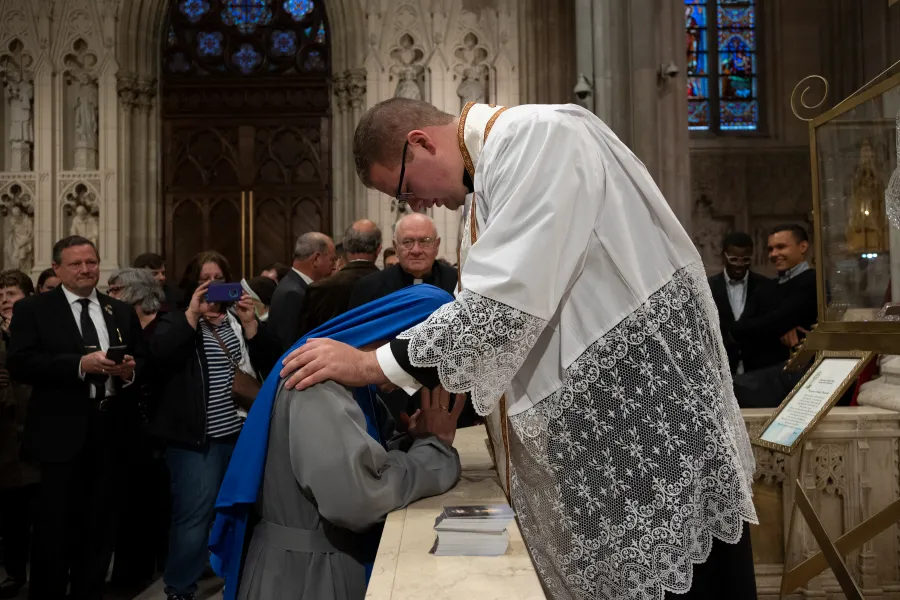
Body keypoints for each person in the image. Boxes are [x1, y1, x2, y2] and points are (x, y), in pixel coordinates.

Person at [279, 99, 758, 599]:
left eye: (404, 190)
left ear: (419, 143)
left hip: (652, 421)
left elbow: (500, 306)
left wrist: (367, 363)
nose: (416, 205)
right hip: (609, 426)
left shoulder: (536, 137)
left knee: (689, 577)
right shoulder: (486, 185)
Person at [209, 285, 463, 600]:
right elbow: (356, 500)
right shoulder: (318, 384)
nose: (411, 383)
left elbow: (366, 456)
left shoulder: (354, 383)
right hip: (306, 575)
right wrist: (434, 448)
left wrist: (412, 440)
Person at [7, 236, 145, 600]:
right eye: (76, 264)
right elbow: (20, 362)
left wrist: (129, 372)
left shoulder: (120, 311)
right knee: (54, 535)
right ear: (57, 269)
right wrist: (78, 365)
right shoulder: (36, 310)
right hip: (59, 435)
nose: (86, 270)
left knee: (99, 533)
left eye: (92, 262)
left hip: (110, 434)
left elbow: (143, 362)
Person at [151, 251, 282, 600]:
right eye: (202, 279)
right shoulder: (177, 322)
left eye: (217, 279)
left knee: (239, 511)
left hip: (239, 434)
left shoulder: (238, 322)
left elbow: (273, 362)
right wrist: (192, 315)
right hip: (197, 440)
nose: (210, 286)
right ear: (192, 286)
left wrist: (253, 324)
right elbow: (160, 358)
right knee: (193, 518)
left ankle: (235, 578)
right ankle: (180, 587)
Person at [105, 268, 169, 593]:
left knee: (155, 505)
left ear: (137, 293)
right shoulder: (118, 325)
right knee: (131, 506)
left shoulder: (165, 327)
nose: (109, 296)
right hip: (129, 430)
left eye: (115, 289)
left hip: (162, 428)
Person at [0, 270, 38, 599]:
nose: (4, 300)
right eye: (0, 295)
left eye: (10, 293)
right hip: (6, 436)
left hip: (38, 430)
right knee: (11, 511)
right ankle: (14, 571)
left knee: (40, 513)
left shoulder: (38, 330)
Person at [708, 231, 785, 374]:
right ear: (723, 256)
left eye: (745, 260)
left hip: (758, 370)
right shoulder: (708, 288)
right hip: (720, 369)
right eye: (734, 259)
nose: (740, 265)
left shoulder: (766, 286)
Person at [349, 213, 457, 308]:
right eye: (407, 242)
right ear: (395, 247)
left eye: (424, 241)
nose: (416, 250)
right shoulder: (369, 287)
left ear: (437, 245)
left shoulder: (457, 282)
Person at [298, 220, 381, 337]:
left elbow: (304, 339)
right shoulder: (393, 286)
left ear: (345, 246)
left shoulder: (320, 288)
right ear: (379, 249)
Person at [268, 233, 336, 350]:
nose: (334, 266)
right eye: (332, 260)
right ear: (316, 259)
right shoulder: (293, 293)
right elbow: (290, 346)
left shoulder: (293, 284)